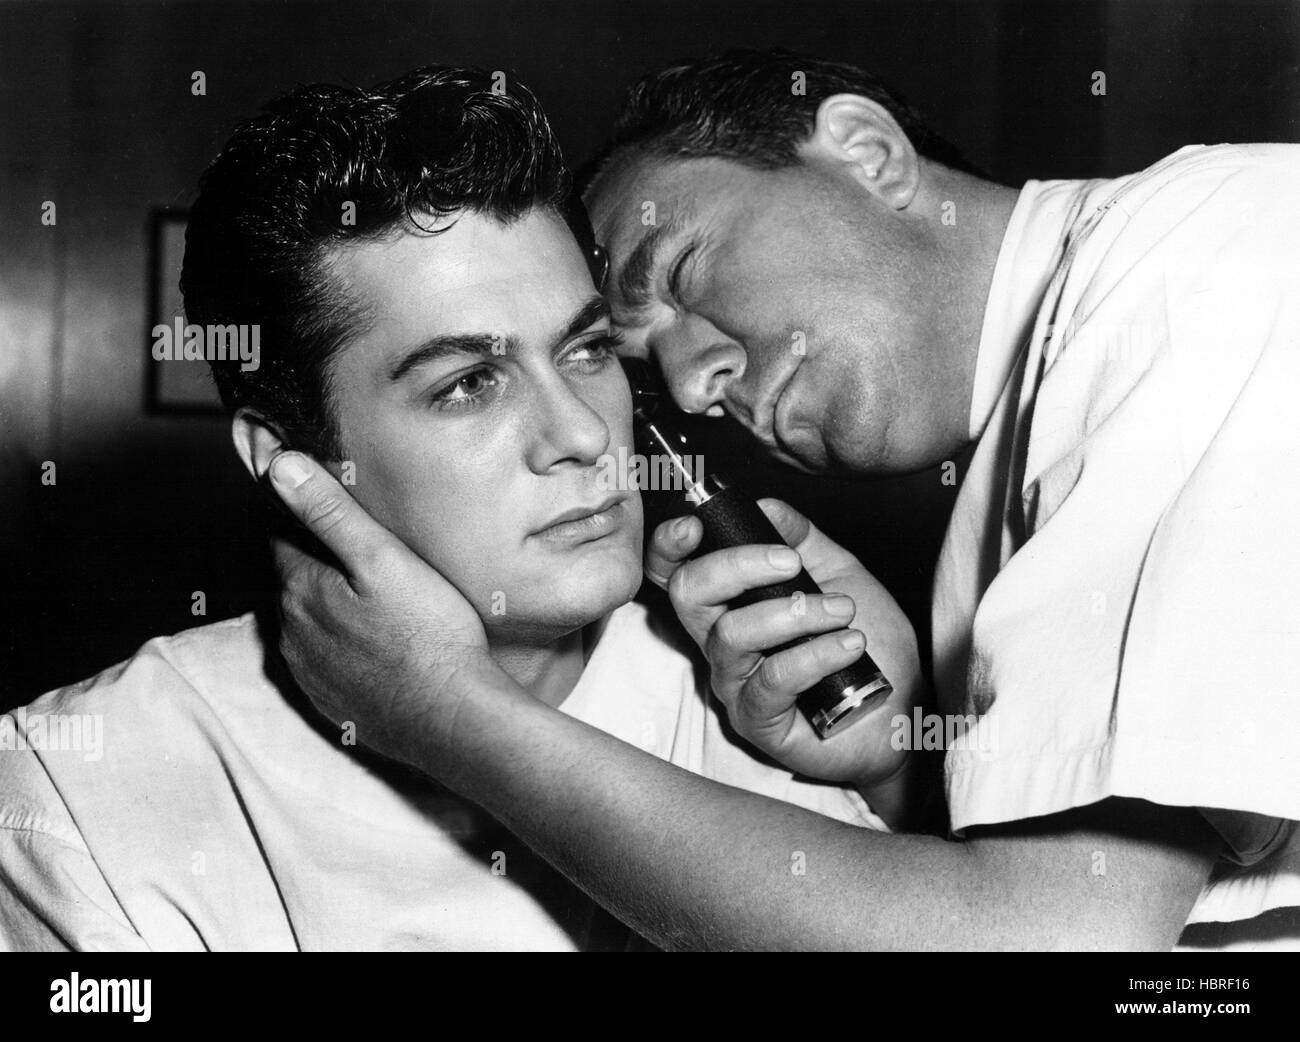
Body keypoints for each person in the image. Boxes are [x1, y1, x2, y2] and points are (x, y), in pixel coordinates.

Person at [267, 50, 1300, 950]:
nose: (687, 384)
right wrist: (895, 763)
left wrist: (453, 716)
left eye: (675, 270)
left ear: (866, 150)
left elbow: (1056, 939)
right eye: (628, 359)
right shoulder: (1032, 436)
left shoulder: (1202, 258)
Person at [0, 65, 921, 952]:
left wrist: (885, 772)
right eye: (470, 383)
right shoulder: (79, 782)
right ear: (286, 460)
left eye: (587, 350)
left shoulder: (760, 703)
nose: (585, 436)